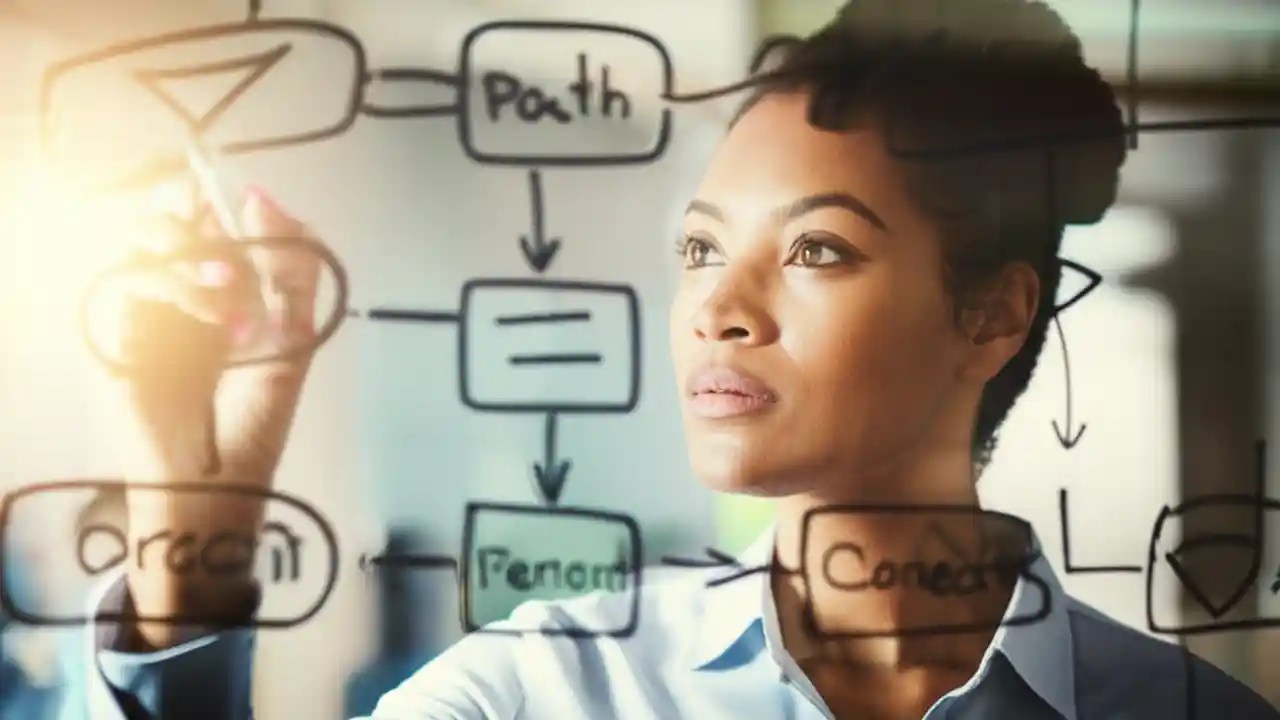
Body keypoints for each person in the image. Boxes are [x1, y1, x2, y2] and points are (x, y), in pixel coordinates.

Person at [82, 0, 1278, 718]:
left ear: (990, 316)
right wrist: (202, 515)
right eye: (700, 247)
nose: (718, 308)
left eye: (815, 249)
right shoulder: (537, 691)